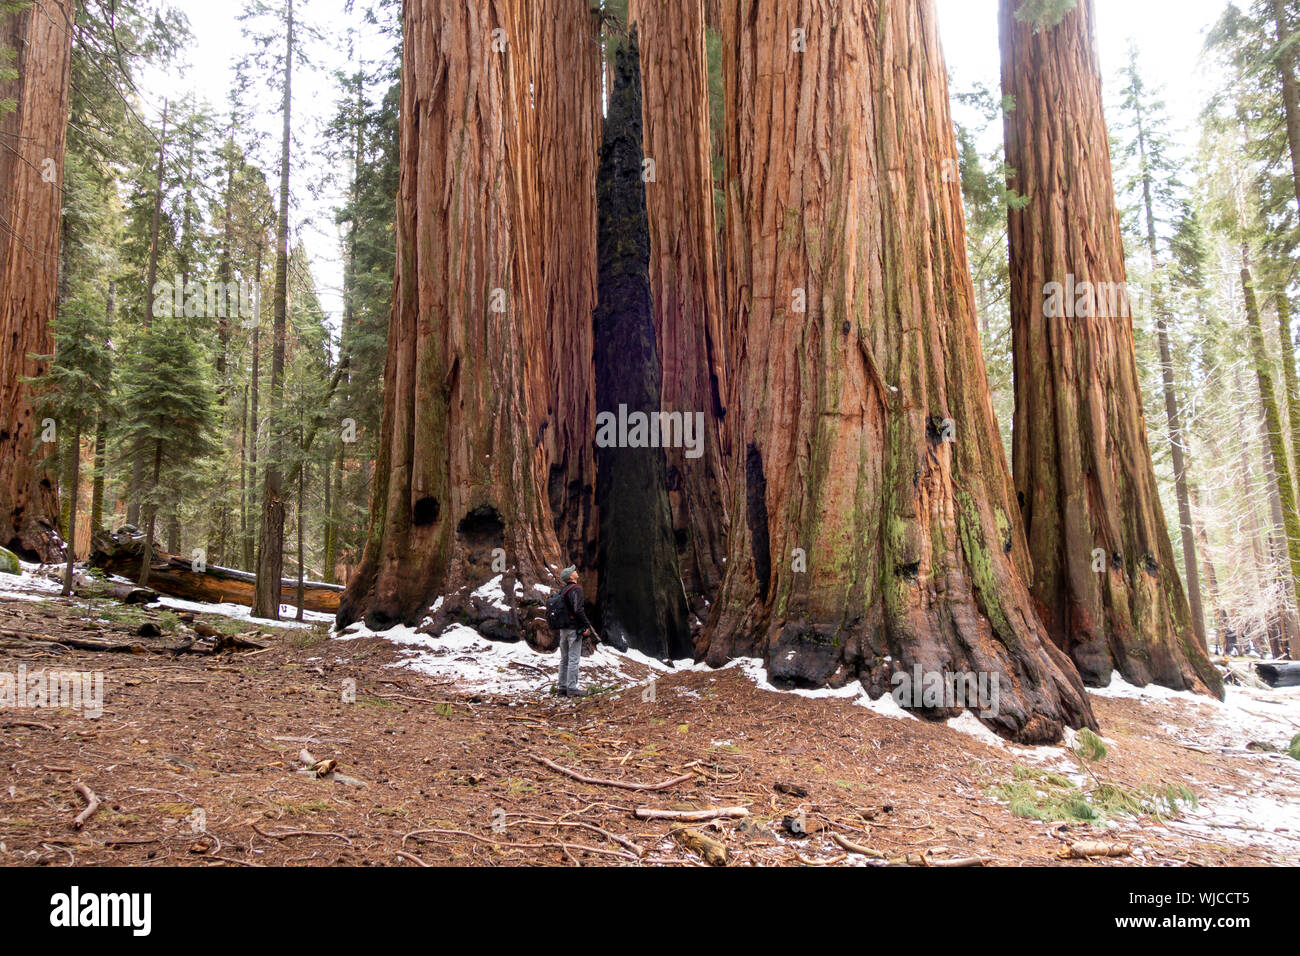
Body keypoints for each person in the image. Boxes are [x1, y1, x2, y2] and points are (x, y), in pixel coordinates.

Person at [555, 565, 596, 698]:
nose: (576, 571)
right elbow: (578, 609)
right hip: (573, 629)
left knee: (564, 659)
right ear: (571, 577)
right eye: (574, 571)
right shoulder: (576, 589)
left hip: (563, 629)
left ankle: (562, 688)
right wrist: (586, 625)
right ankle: (572, 688)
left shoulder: (563, 591)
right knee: (573, 659)